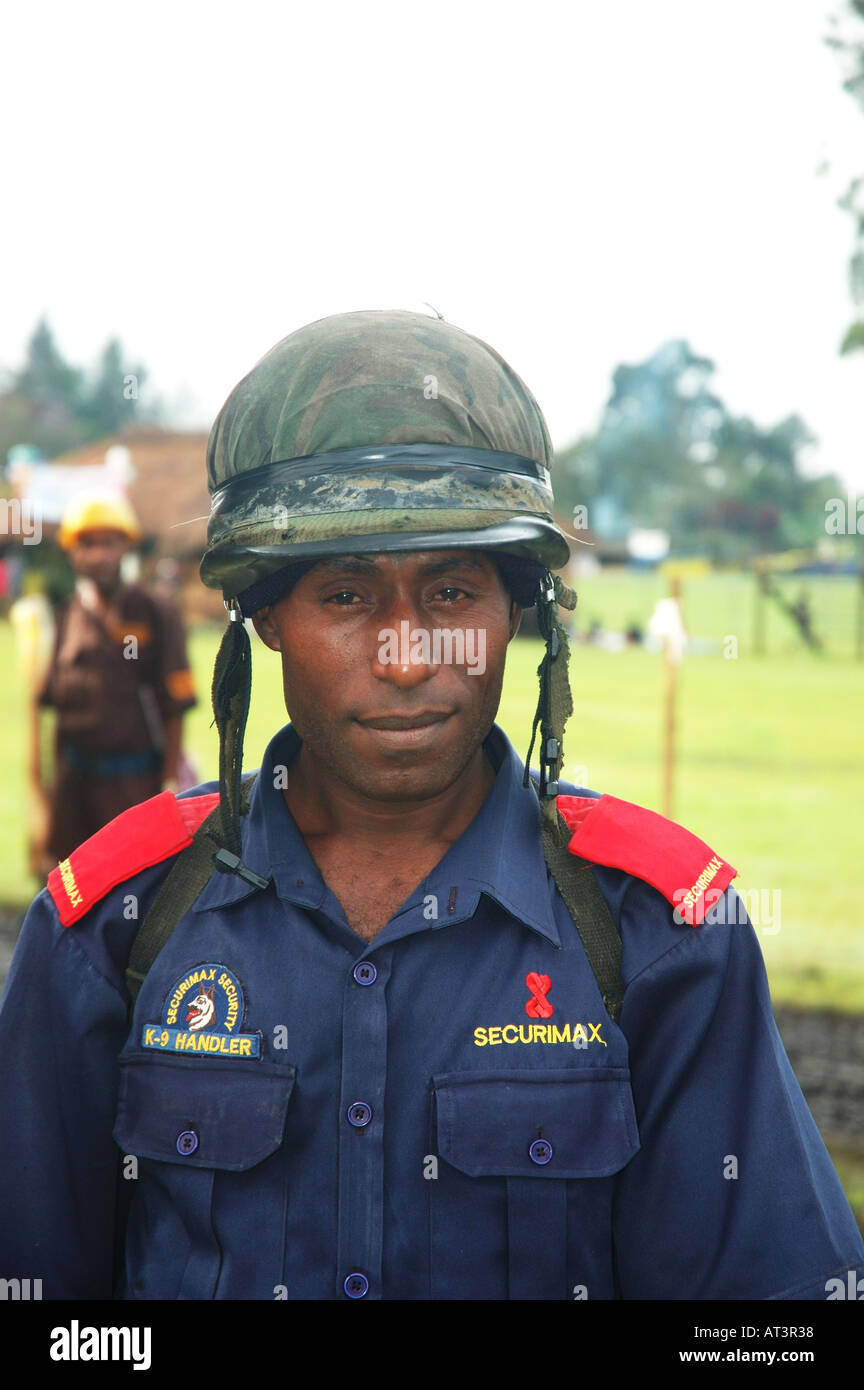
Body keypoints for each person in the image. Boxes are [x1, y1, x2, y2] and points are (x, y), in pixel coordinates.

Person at [0, 310, 861, 1301]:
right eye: (348, 597)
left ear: (516, 613)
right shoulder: (109, 927)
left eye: (452, 593)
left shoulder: (669, 935)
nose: (408, 657)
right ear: (268, 619)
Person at [29, 490, 198, 875]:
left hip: (135, 785)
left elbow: (174, 705)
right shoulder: (65, 616)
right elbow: (50, 708)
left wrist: (169, 780)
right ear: (72, 552)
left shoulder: (155, 610)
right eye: (87, 544)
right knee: (69, 891)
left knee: (134, 890)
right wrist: (48, 793)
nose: (99, 555)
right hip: (75, 789)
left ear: (126, 546)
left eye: (109, 543)